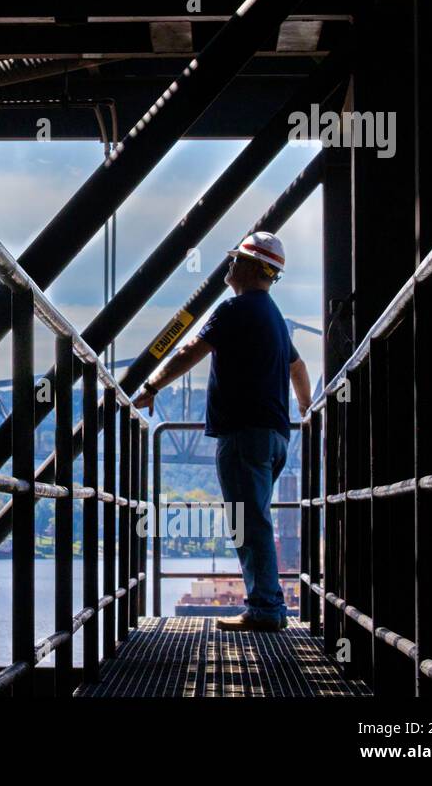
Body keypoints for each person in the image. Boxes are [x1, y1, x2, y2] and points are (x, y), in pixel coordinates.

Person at [131, 232, 313, 631]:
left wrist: (150, 388)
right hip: (276, 437)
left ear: (249, 267)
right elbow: (298, 368)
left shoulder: (233, 309)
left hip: (243, 435)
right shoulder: (276, 319)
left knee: (247, 521)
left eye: (234, 260)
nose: (228, 266)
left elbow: (189, 350)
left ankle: (266, 609)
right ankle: (267, 604)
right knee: (254, 517)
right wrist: (304, 405)